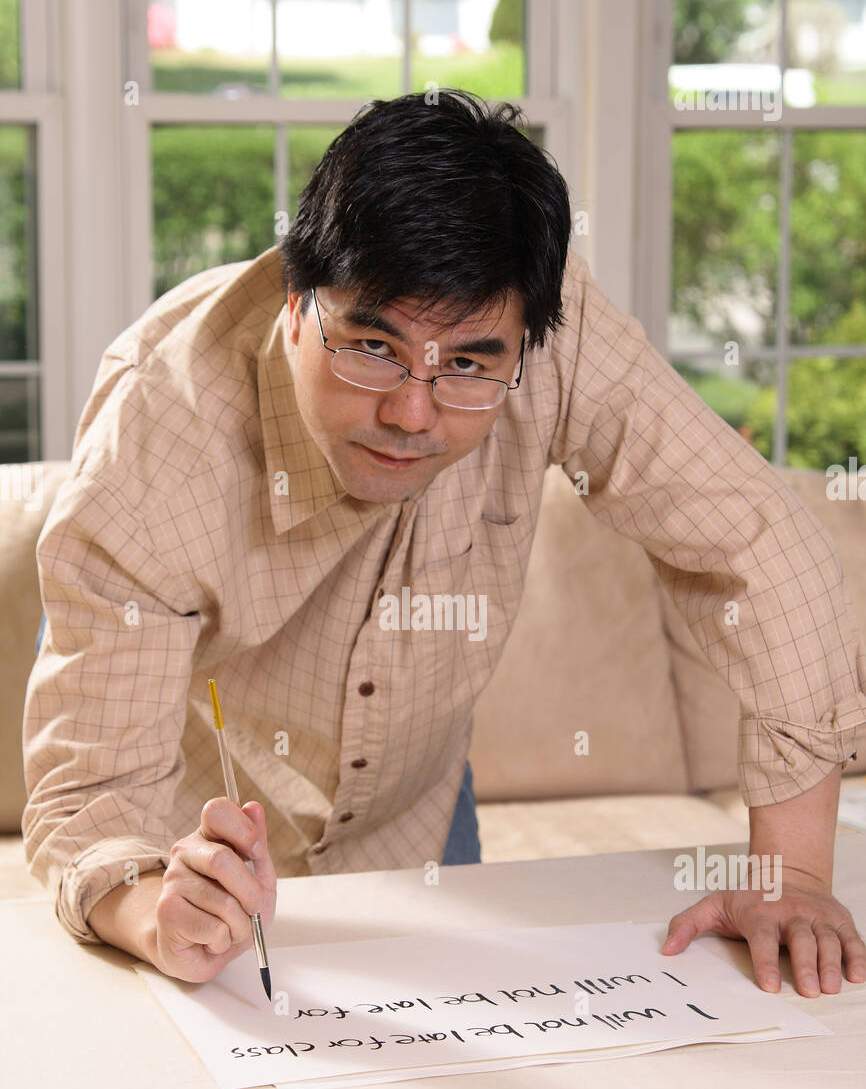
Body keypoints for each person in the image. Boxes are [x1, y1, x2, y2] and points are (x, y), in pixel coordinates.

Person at [22, 90, 866, 999]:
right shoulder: (156, 442)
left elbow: (761, 543)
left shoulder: (547, 327)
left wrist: (794, 880)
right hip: (207, 837)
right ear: (296, 300)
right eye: (373, 346)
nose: (411, 413)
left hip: (413, 806)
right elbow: (87, 801)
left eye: (466, 364)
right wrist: (153, 905)